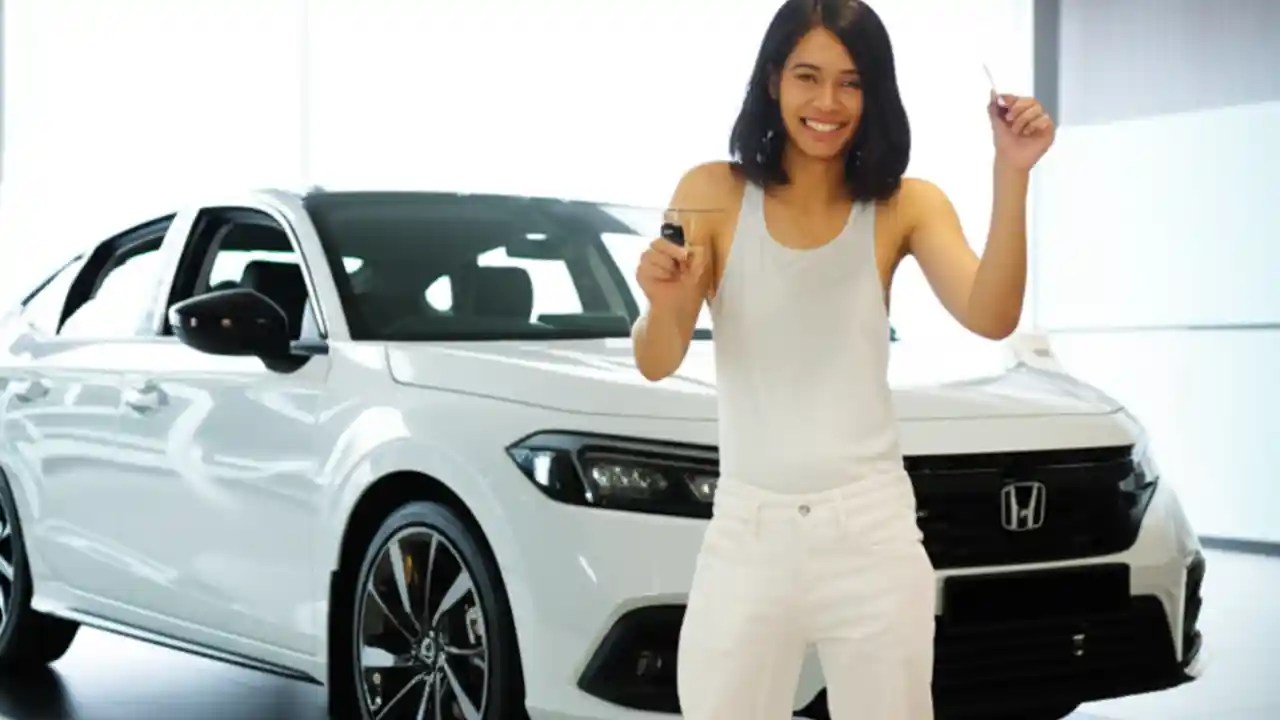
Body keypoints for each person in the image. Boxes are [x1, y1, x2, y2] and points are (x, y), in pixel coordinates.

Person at [630, 0, 1055, 718]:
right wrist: (663, 304)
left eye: (851, 82)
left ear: (874, 92)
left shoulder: (906, 206)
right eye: (807, 76)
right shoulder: (711, 194)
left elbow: (992, 315)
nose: (827, 102)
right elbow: (656, 359)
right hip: (748, 534)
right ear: (773, 80)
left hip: (871, 536)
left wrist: (1012, 172)